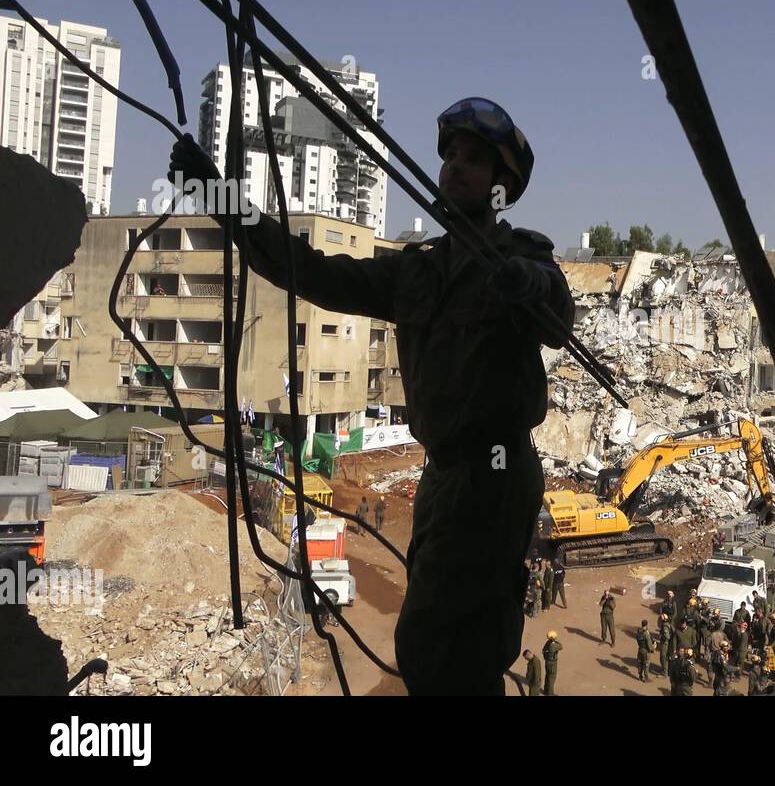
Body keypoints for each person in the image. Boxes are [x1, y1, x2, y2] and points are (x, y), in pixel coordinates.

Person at [171, 97, 573, 696]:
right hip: (443, 474)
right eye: (451, 156)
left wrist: (529, 286)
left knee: (459, 648)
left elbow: (558, 318)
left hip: (496, 470)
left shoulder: (522, 257)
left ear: (501, 185)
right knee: (429, 644)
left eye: (473, 160)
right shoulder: (415, 272)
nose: (455, 167)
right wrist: (221, 200)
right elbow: (303, 267)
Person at [543, 631, 562, 696]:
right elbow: (561, 646)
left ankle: (546, 690)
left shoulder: (548, 643)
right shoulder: (553, 645)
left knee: (547, 676)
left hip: (547, 661)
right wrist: (554, 641)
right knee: (552, 678)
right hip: (552, 663)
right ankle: (550, 694)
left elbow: (543, 650)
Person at [658, 612, 674, 677]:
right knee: (666, 657)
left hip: (665, 644)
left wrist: (662, 637)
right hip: (667, 644)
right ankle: (667, 670)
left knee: (663, 657)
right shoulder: (668, 624)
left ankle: (664, 673)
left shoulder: (665, 626)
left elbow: (667, 636)